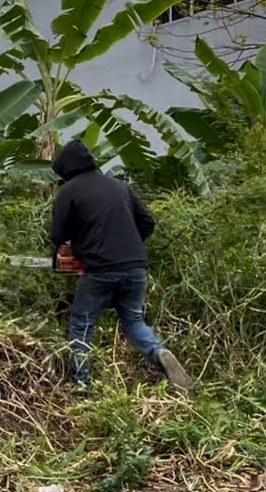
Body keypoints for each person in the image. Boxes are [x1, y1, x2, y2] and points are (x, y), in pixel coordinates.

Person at [49, 139, 192, 392]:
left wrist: (77, 246)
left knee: (82, 324)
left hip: (100, 270)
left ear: (66, 168)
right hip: (136, 267)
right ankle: (158, 352)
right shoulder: (120, 186)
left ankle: (80, 384)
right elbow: (147, 222)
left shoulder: (69, 191)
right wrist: (126, 246)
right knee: (133, 321)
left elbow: (58, 234)